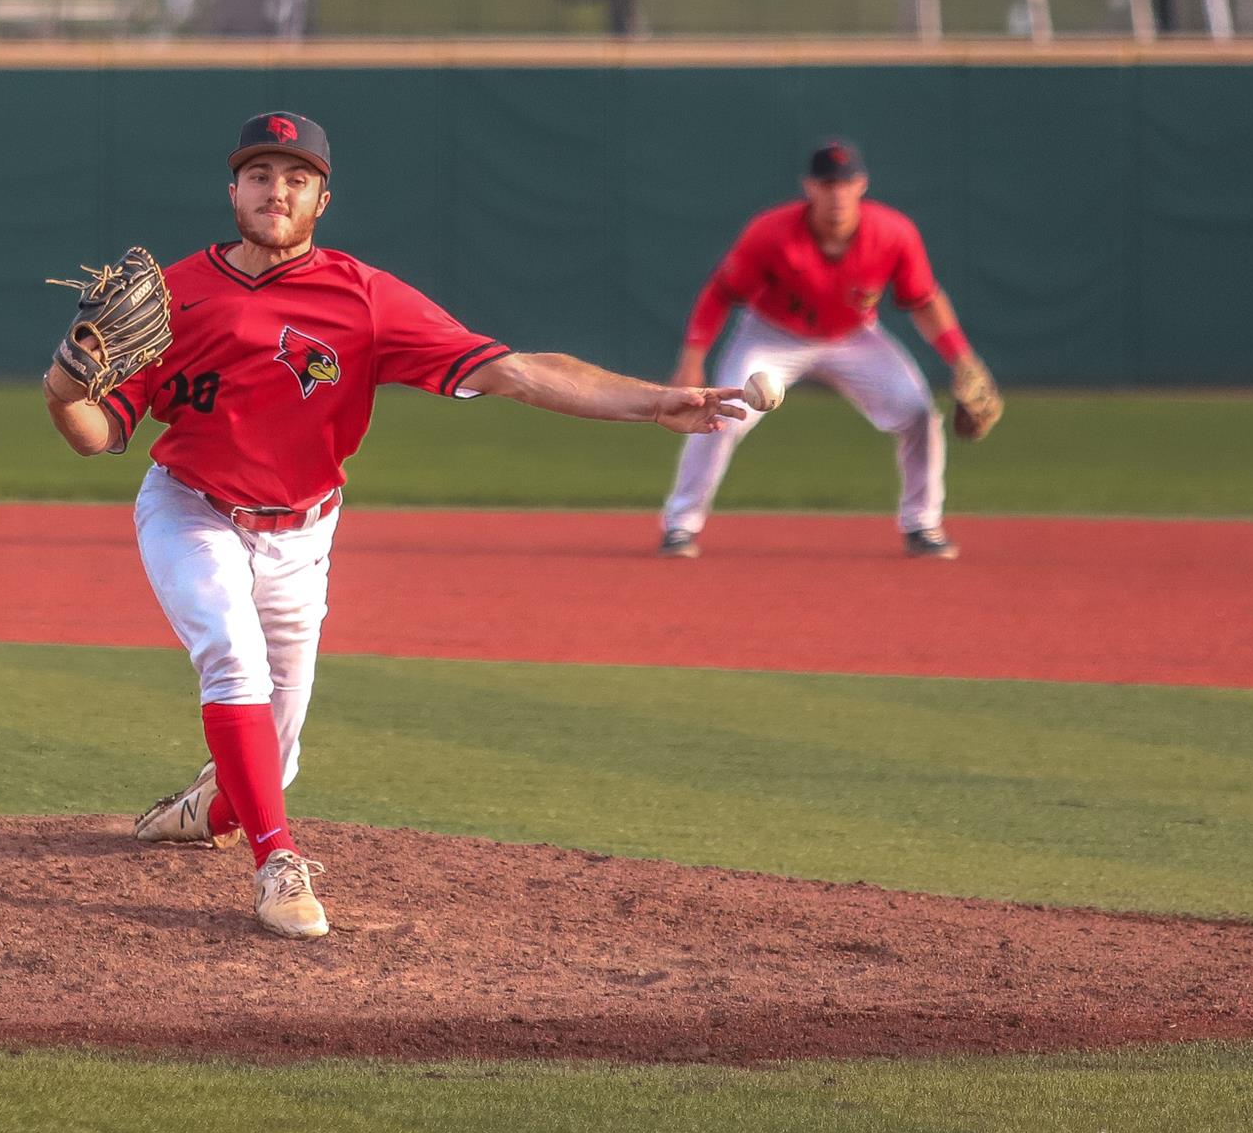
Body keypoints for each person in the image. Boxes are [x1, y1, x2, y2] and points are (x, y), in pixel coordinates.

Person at [43, 111, 747, 940]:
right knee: (232, 659)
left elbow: (514, 370)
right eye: (261, 174)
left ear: (322, 198)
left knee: (273, 757)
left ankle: (210, 808)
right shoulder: (173, 294)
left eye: (296, 177)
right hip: (192, 509)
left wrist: (653, 400)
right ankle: (277, 865)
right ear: (232, 188)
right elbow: (99, 435)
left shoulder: (364, 298)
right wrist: (63, 388)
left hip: (303, 536)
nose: (278, 191)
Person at [658, 138, 992, 562]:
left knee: (919, 412)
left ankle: (922, 525)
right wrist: (691, 361)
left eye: (846, 182)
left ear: (862, 185)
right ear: (809, 187)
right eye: (827, 182)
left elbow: (924, 300)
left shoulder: (893, 233)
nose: (837, 192)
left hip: (853, 336)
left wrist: (962, 358)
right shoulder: (771, 233)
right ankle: (680, 525)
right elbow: (720, 293)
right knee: (720, 417)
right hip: (772, 335)